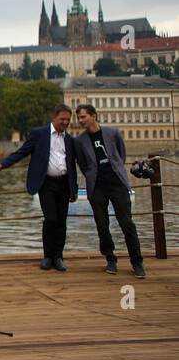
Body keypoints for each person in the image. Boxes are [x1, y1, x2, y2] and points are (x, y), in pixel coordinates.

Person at [0, 103, 78, 271]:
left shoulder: (69, 140)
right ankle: (48, 256)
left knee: (61, 222)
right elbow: (22, 152)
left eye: (68, 120)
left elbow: (72, 165)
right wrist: (3, 164)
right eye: (62, 119)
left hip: (64, 183)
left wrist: (74, 189)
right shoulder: (39, 134)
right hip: (46, 183)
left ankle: (58, 257)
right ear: (54, 117)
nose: (65, 122)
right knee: (51, 219)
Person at [73, 104, 145, 278]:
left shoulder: (113, 133)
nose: (80, 121)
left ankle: (137, 262)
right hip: (97, 187)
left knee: (127, 223)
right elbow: (83, 165)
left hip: (117, 184)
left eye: (83, 117)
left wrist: (115, 169)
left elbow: (121, 155)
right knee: (102, 225)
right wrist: (92, 175)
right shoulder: (79, 141)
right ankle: (110, 259)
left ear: (94, 116)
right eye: (79, 118)